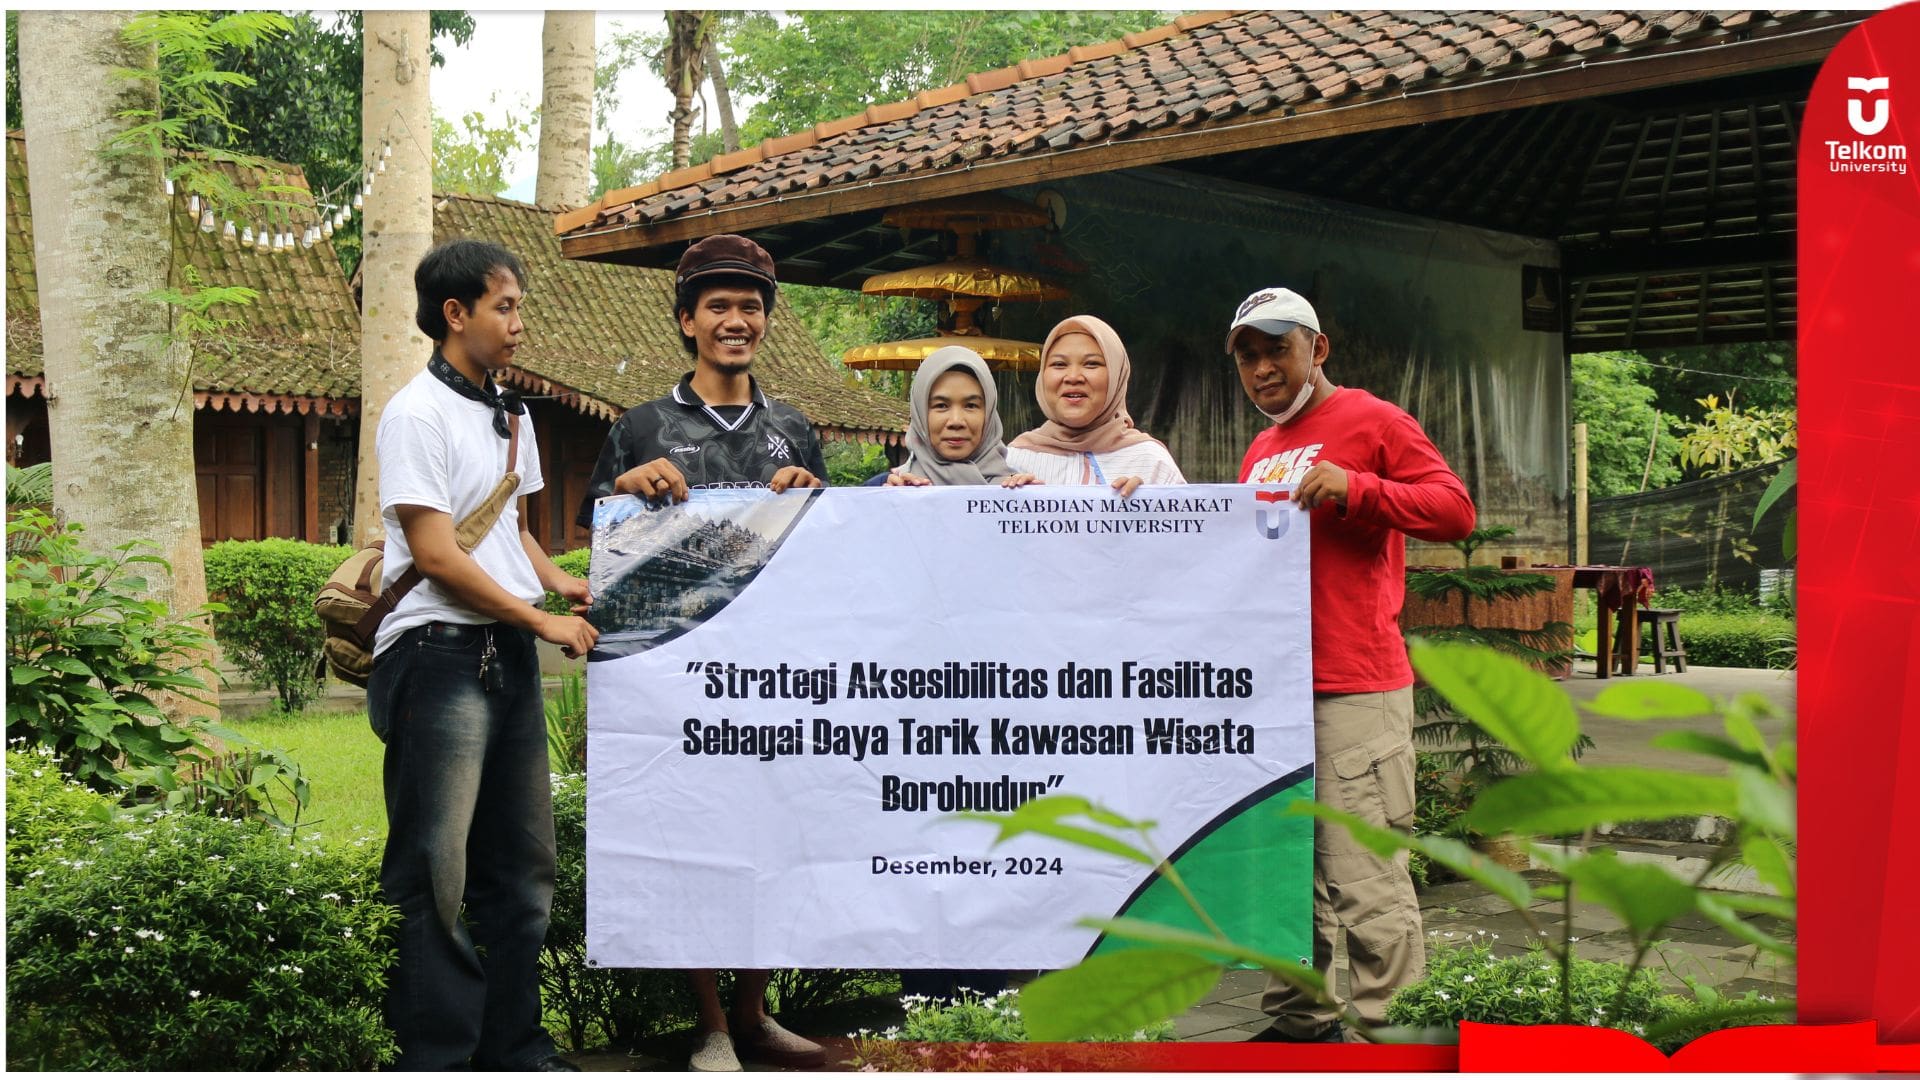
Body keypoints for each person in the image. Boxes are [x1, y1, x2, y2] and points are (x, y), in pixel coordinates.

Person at [575, 233, 827, 1073]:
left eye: (750, 307)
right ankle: (712, 1024)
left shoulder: (793, 427)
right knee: (691, 835)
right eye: (718, 306)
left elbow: (827, 547)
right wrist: (623, 486)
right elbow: (595, 527)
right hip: (679, 672)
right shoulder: (645, 424)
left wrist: (813, 495)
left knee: (763, 835)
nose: (735, 320)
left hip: (775, 669)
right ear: (688, 321)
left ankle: (756, 1015)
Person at [368, 239, 598, 1071]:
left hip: (501, 653)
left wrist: (558, 583)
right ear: (455, 314)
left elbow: (507, 527)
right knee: (436, 872)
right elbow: (434, 553)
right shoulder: (414, 414)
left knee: (523, 867)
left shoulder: (511, 415)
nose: (518, 324)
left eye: (519, 307)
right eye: (505, 307)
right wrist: (541, 624)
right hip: (437, 654)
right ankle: (436, 1056)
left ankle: (515, 1045)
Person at [1226, 286, 1475, 1042]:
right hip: (1275, 691)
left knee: (1364, 875)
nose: (1263, 367)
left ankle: (1394, 1035)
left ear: (1317, 348)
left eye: (1277, 348)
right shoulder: (1261, 449)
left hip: (1354, 688)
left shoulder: (1372, 420)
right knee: (1285, 873)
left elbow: (1455, 508)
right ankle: (1300, 1020)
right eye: (1249, 356)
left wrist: (1358, 488)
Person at [1003, 315, 1185, 496]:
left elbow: (1192, 523)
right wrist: (1010, 500)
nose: (1073, 377)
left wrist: (1150, 507)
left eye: (1091, 364)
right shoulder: (1013, 461)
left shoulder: (1151, 462)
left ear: (1117, 376)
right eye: (1059, 364)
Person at [867, 344, 1013, 487]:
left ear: (989, 414)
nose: (956, 421)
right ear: (920, 415)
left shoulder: (1017, 492)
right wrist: (887, 506)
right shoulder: (883, 490)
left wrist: (1030, 502)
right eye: (941, 406)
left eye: (971, 405)